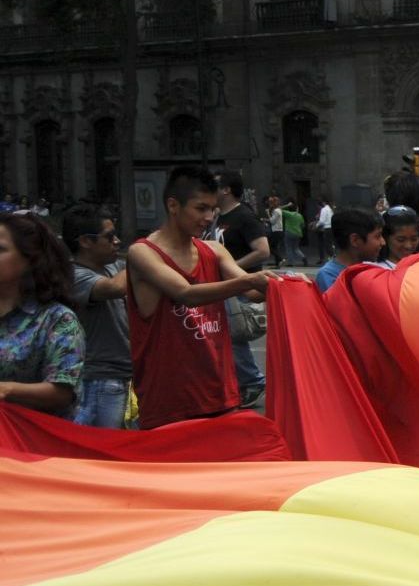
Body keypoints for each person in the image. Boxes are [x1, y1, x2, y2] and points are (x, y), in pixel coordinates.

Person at [125, 166, 272, 428]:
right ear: (173, 205)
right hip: (169, 401)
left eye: (213, 209)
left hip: (220, 393)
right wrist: (250, 280)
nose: (208, 217)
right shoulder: (143, 253)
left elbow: (252, 292)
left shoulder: (213, 250)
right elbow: (186, 294)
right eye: (200, 208)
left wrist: (287, 284)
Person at [0, 212, 84, 418]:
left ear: (30, 259)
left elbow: (63, 391)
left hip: (33, 443)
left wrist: (7, 389)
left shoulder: (57, 319)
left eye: (0, 249)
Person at [59, 205, 133, 427]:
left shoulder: (112, 267)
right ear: (85, 241)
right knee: (103, 451)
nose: (117, 242)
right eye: (109, 237)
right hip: (99, 379)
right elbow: (114, 288)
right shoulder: (73, 275)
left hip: (125, 376)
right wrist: (143, 256)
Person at [213, 170, 269, 405]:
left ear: (226, 189)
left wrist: (231, 267)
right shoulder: (217, 216)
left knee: (233, 335)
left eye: (214, 185)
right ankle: (240, 381)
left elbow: (262, 250)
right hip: (225, 286)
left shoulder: (243, 216)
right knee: (223, 335)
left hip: (240, 286)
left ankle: (252, 380)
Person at [311, 207, 384, 292]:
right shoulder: (329, 276)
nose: (383, 242)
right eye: (378, 236)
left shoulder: (370, 269)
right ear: (355, 240)